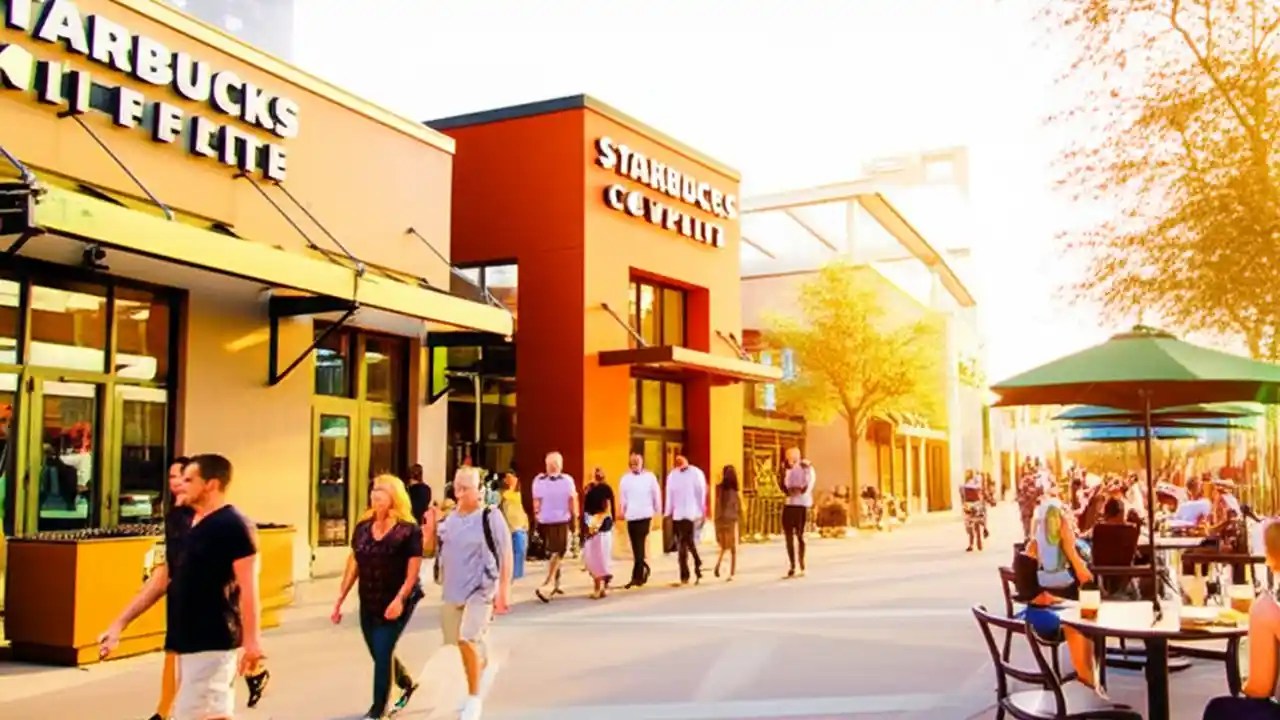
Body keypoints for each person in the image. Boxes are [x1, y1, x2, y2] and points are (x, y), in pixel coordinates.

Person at [100, 453, 262, 720]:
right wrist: (119, 624)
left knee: (206, 715)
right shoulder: (186, 524)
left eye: (189, 479)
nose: (179, 484)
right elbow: (162, 579)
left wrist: (252, 642)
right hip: (185, 642)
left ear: (210, 485)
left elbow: (249, 588)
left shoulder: (234, 526)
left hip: (213, 642)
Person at [331, 475, 424, 720]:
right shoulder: (362, 528)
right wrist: (340, 598)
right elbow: (354, 564)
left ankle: (378, 712)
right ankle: (405, 681)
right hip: (369, 599)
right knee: (379, 651)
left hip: (398, 598)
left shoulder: (408, 531)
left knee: (383, 653)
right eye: (374, 490)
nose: (376, 494)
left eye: (382, 490)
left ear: (395, 495)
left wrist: (400, 600)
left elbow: (413, 573)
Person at [425, 467, 513, 720]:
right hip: (453, 590)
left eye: (466, 487)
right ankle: (481, 661)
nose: (460, 491)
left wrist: (504, 590)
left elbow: (505, 552)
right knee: (460, 644)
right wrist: (430, 529)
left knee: (466, 639)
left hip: (482, 588)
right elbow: (430, 550)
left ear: (478, 490)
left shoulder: (490, 516)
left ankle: (473, 700)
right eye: (457, 486)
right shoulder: (449, 520)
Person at [1202, 520, 1280, 719]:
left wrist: (1245, 685)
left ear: (1272, 557)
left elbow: (1260, 688)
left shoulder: (1268, 607)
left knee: (1218, 710)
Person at [532, 452, 577, 603]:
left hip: (548, 520)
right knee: (559, 551)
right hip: (558, 520)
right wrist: (575, 521)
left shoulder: (539, 480)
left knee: (555, 551)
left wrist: (537, 520)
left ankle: (556, 583)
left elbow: (536, 503)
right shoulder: (566, 480)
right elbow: (572, 502)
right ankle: (548, 584)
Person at [618, 453, 661, 589]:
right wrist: (622, 511)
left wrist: (657, 509)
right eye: (632, 462)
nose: (634, 464)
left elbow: (656, 493)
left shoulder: (650, 477)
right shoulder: (625, 479)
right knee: (636, 546)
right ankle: (642, 571)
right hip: (631, 516)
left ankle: (637, 576)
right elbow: (622, 497)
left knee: (640, 544)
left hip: (645, 514)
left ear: (642, 463)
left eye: (637, 462)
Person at [665, 455, 706, 586]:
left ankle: (688, 571)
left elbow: (701, 491)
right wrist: (668, 511)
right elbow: (669, 494)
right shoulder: (672, 476)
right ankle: (691, 566)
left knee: (685, 541)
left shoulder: (695, 473)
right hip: (678, 514)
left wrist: (701, 509)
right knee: (684, 543)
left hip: (690, 513)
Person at [580, 468, 616, 599]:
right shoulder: (590, 490)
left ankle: (601, 587)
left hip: (599, 527)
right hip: (598, 526)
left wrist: (590, 525)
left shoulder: (605, 489)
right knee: (599, 558)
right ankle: (601, 586)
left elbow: (608, 507)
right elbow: (586, 509)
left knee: (598, 558)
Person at [781, 447, 814, 577]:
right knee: (788, 536)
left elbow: (810, 481)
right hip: (789, 504)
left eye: (792, 456)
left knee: (800, 535)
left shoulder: (806, 467)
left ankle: (801, 563)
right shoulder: (786, 469)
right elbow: (782, 484)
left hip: (800, 504)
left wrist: (801, 490)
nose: (790, 458)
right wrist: (786, 490)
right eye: (788, 456)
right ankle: (792, 565)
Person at [497, 470, 529, 581]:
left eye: (512, 477)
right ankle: (509, 573)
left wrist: (526, 522)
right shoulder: (501, 494)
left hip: (520, 525)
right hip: (508, 527)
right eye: (507, 478)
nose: (510, 480)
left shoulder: (519, 494)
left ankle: (516, 574)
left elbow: (523, 509)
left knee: (520, 549)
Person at [713, 465, 740, 581]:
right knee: (733, 547)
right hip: (731, 519)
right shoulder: (735, 491)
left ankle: (718, 564)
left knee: (723, 546)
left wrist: (716, 520)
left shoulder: (719, 489)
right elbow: (738, 507)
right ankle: (732, 573)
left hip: (721, 519)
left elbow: (717, 505)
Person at [960, 472, 987, 552]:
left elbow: (963, 497)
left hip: (973, 506)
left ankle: (974, 543)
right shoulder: (968, 486)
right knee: (973, 526)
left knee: (974, 526)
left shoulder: (971, 485)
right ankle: (975, 543)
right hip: (972, 506)